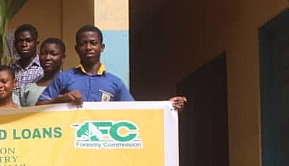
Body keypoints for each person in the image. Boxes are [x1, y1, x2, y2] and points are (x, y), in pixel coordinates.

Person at [36, 24, 187, 111]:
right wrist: (61, 99)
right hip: (69, 146)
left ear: (102, 47)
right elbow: (38, 107)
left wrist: (168, 106)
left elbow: (135, 111)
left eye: (93, 43)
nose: (88, 47)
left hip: (104, 148)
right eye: (83, 44)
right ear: (77, 49)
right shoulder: (64, 78)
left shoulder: (115, 82)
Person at [20, 37, 66, 107]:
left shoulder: (69, 85)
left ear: (63, 57)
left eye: (53, 54)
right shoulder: (28, 89)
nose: (47, 58)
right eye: (43, 53)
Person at [11, 24, 43, 97]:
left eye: (28, 40)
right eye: (20, 41)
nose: (24, 44)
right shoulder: (10, 70)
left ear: (36, 43)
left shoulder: (45, 69)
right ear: (15, 44)